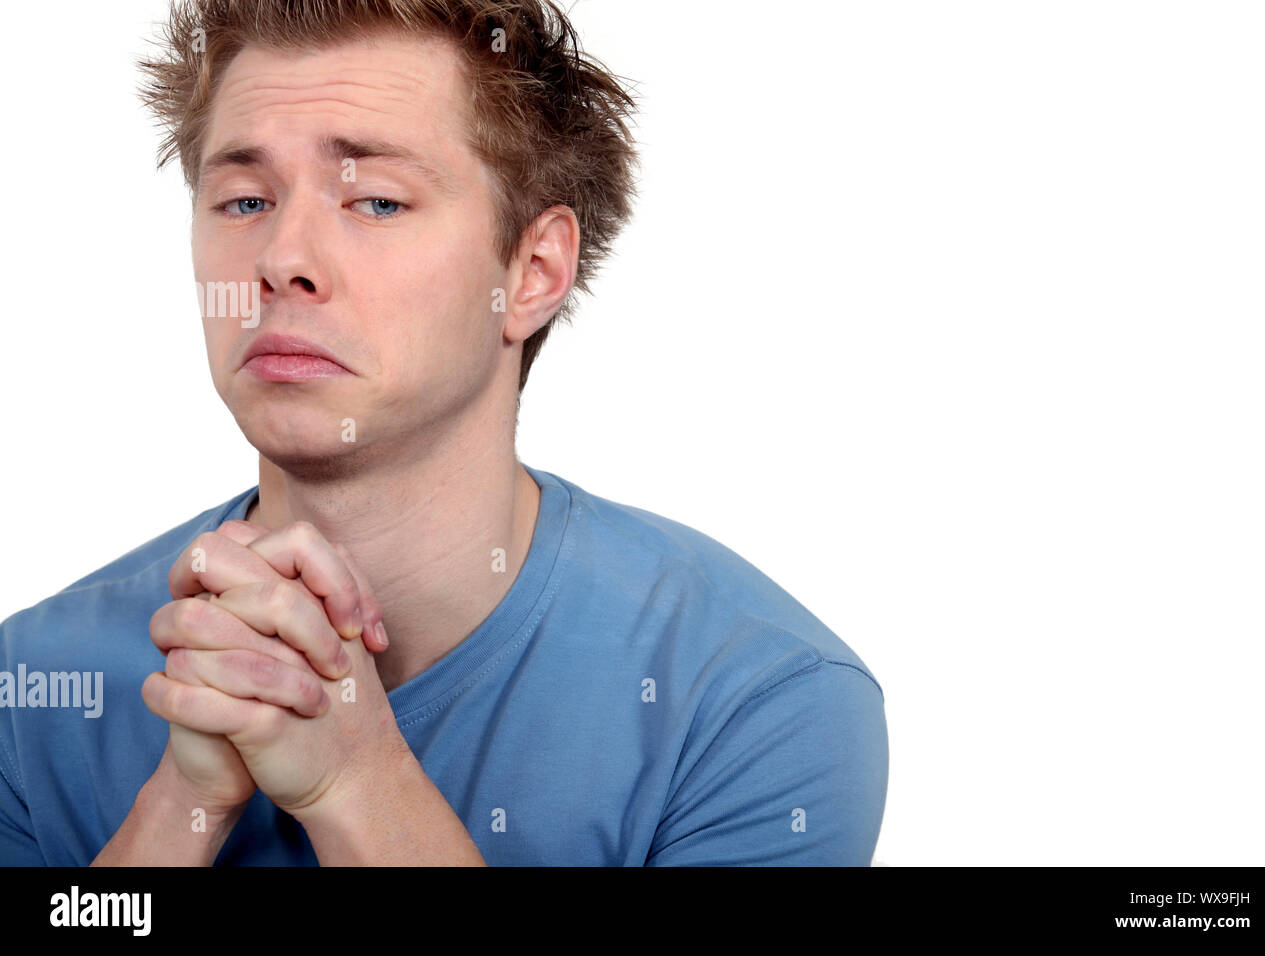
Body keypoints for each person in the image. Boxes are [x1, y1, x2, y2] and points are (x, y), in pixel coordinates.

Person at [0, 0, 888, 866]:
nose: (280, 261)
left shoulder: (755, 704)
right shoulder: (29, 688)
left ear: (534, 271)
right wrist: (180, 808)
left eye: (377, 202)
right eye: (242, 201)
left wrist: (358, 782)